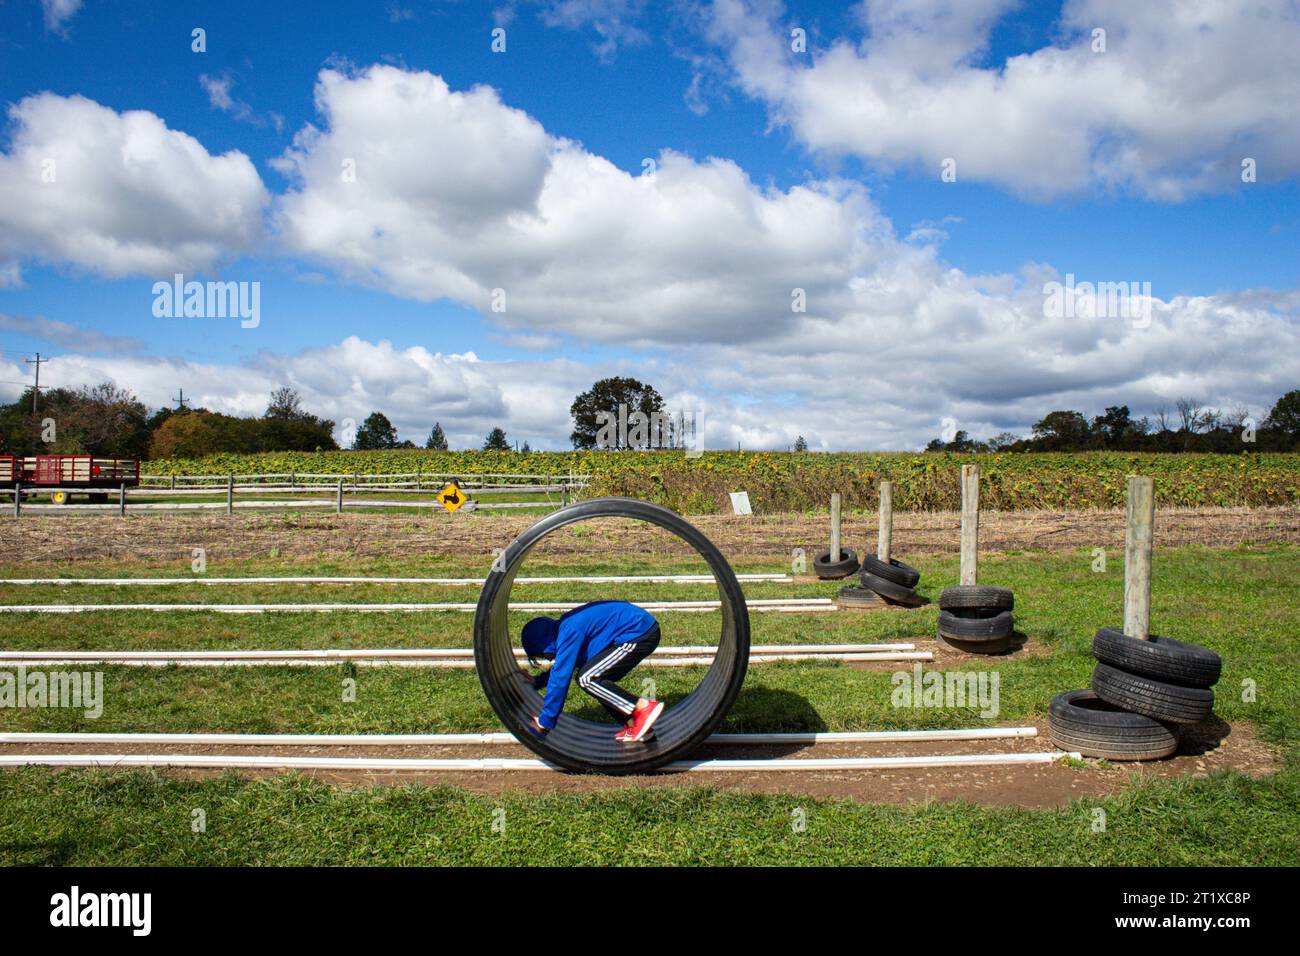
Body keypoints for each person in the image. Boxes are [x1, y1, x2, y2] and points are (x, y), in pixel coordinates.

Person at [521, 600, 663, 742]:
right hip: (637, 628)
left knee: (587, 678)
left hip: (638, 631)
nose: (549, 658)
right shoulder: (565, 629)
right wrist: (536, 682)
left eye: (543, 655)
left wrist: (545, 721)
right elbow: (567, 666)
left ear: (544, 643)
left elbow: (560, 677)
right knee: (591, 678)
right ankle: (635, 724)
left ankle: (643, 708)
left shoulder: (568, 631)